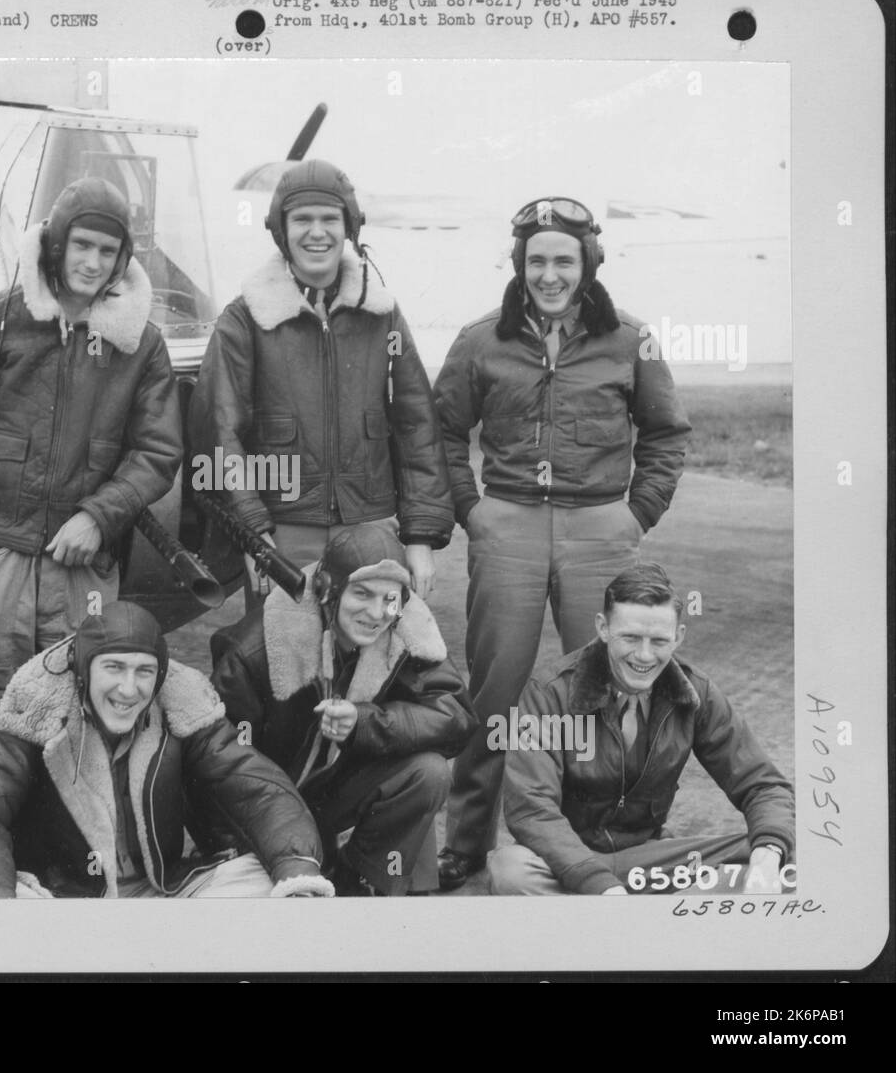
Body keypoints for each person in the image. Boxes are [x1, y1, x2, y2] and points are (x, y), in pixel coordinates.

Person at [433, 196, 692, 889]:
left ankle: (618, 834)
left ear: (587, 265)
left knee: (614, 686)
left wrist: (634, 515)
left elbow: (667, 433)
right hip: (508, 526)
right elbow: (443, 433)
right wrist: (470, 509)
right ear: (520, 265)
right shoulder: (480, 339)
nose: (549, 274)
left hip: (600, 527)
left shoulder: (628, 338)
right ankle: (465, 844)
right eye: (537, 260)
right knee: (494, 692)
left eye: (563, 260)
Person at [0, 178, 182, 770]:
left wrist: (98, 515)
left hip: (83, 562)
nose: (92, 262)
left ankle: (65, 854)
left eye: (108, 251)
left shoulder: (143, 345)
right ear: (55, 245)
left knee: (78, 711)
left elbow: (157, 451)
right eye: (81, 244)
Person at [0, 601, 334, 898]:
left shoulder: (182, 708)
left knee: (275, 881)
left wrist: (296, 864)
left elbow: (257, 787)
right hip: (61, 898)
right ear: (83, 670)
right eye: (113, 668)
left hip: (157, 892)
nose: (129, 690)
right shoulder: (35, 711)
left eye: (144, 671)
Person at [190, 159, 454, 605]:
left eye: (330, 219)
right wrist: (253, 532)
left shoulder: (382, 314)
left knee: (373, 659)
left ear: (349, 226)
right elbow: (220, 433)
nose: (317, 232)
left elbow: (417, 427)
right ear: (281, 230)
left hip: (372, 528)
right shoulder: (244, 320)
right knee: (283, 662)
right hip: (284, 530)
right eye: (302, 220)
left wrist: (420, 536)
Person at [488, 563, 794, 895]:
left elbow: (763, 786)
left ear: (679, 637)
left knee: (785, 853)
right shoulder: (550, 692)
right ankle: (656, 923)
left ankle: (613, 923)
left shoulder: (697, 692)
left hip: (649, 859)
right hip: (566, 860)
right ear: (603, 628)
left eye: (659, 640)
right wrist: (601, 885)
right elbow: (531, 808)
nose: (644, 655)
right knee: (512, 872)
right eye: (630, 637)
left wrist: (766, 858)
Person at [210, 525, 473, 896]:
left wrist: (367, 722)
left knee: (427, 772)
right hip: (261, 807)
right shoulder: (255, 647)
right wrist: (231, 855)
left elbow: (456, 716)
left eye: (390, 599)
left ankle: (361, 881)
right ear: (327, 590)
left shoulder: (407, 630)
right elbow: (216, 761)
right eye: (362, 594)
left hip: (327, 796)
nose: (376, 613)